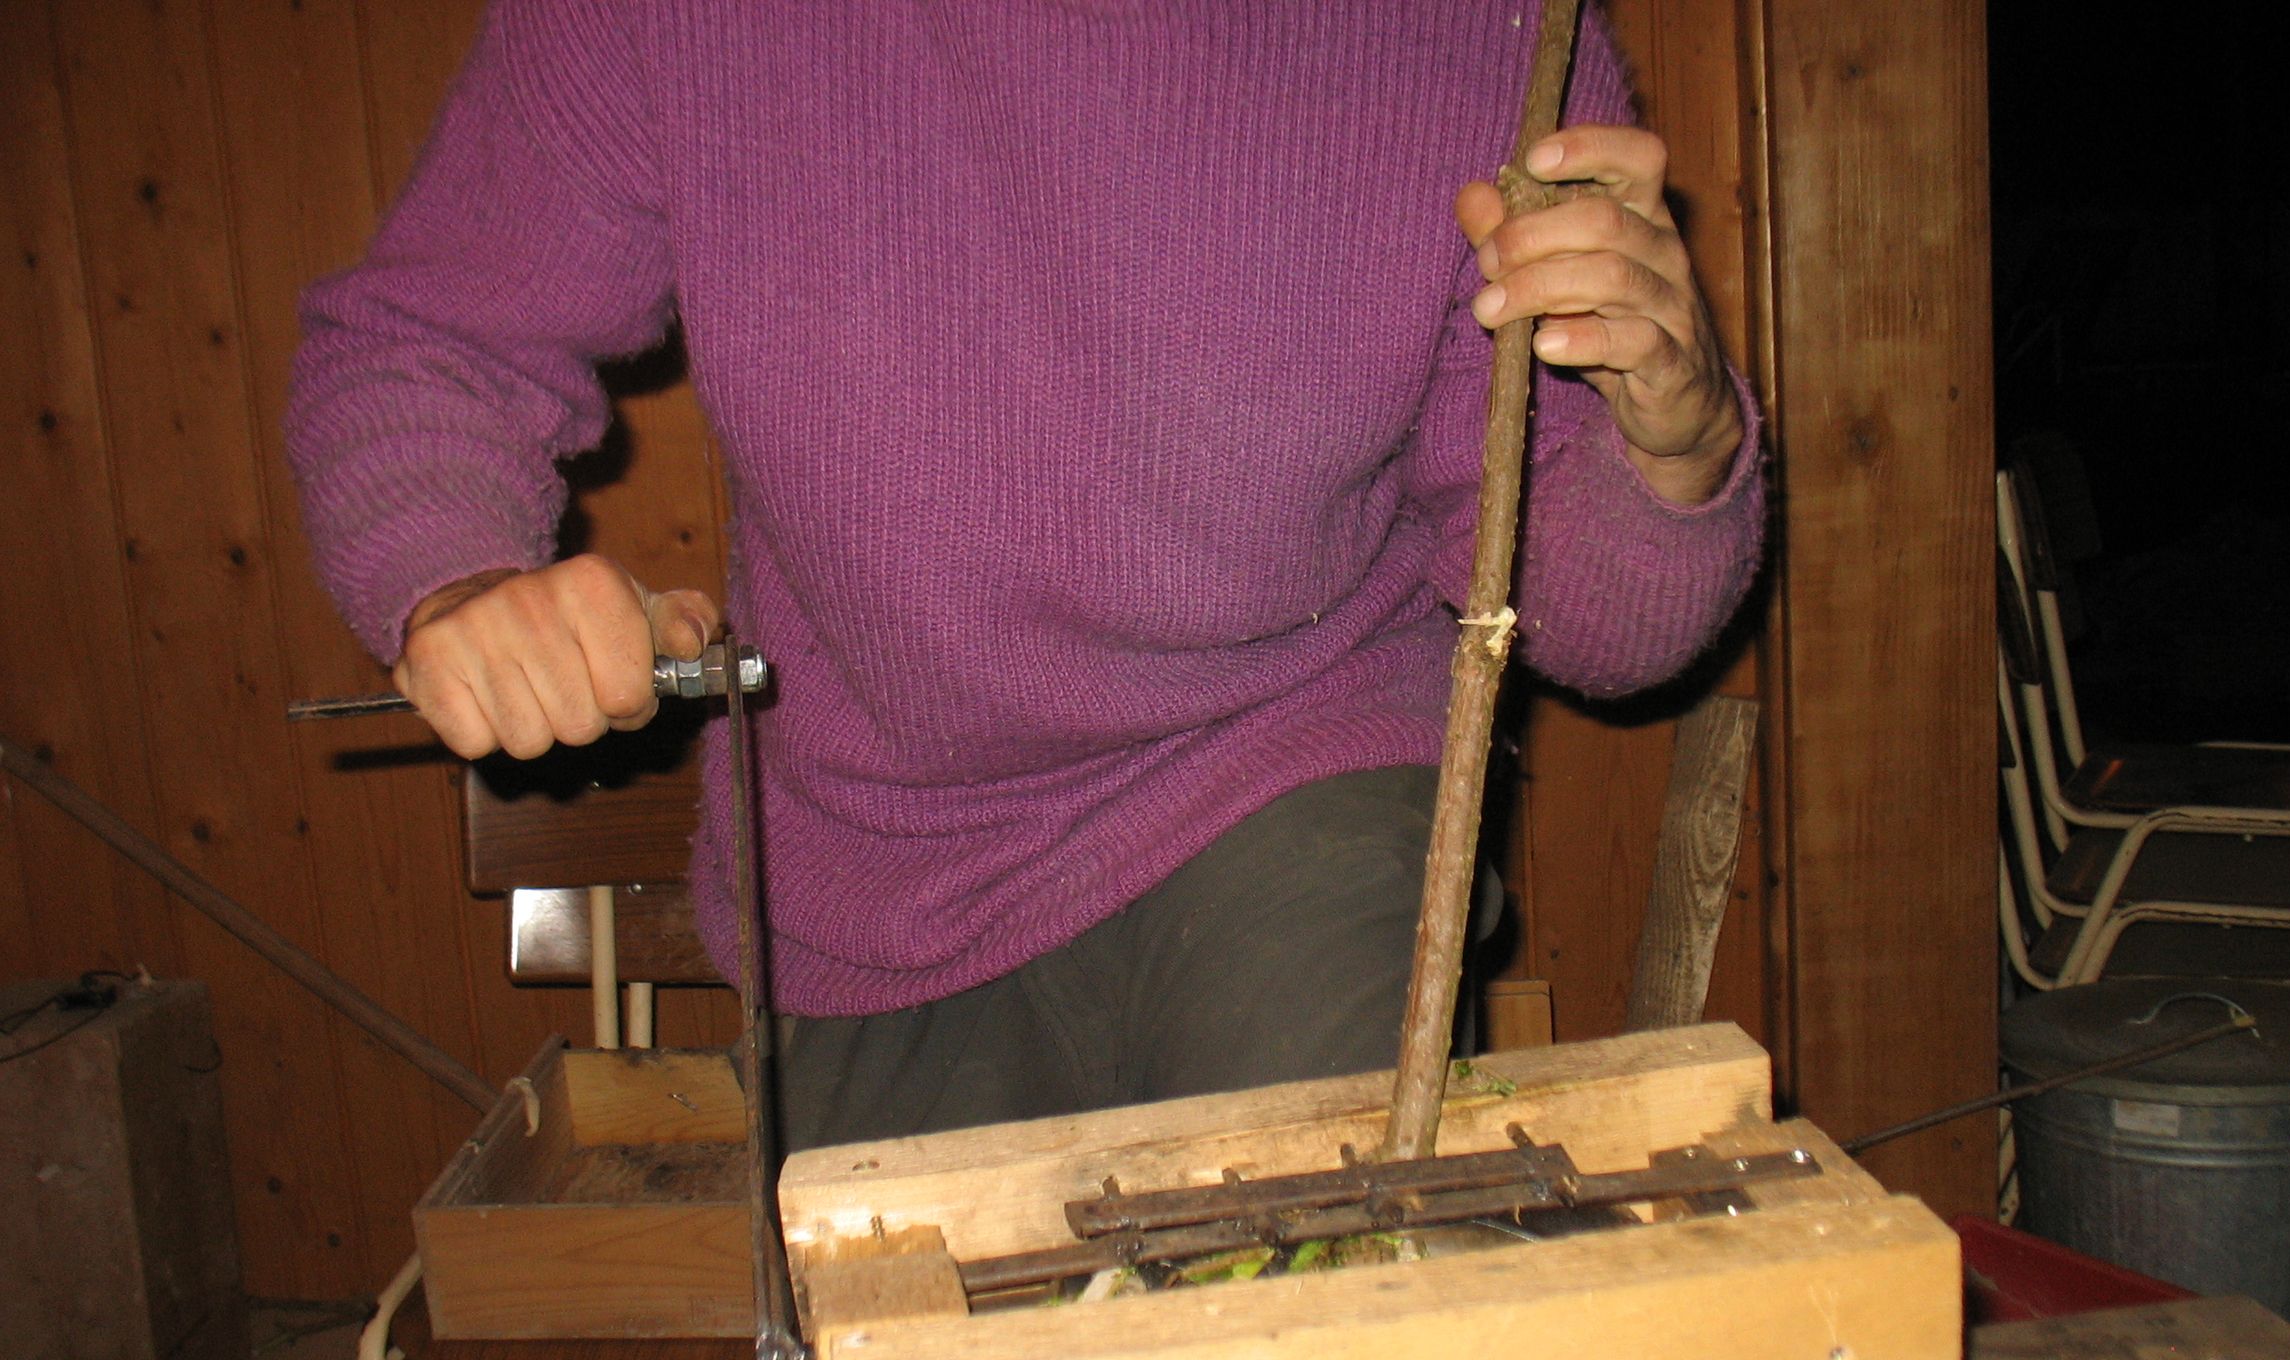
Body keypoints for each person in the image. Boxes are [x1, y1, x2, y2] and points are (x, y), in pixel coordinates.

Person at [288, 0, 1762, 1152]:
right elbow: (429, 348)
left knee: (1296, 1347)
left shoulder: (1490, 37)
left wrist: (1677, 444)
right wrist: (456, 580)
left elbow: (1594, 623)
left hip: (1291, 758)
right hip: (880, 852)